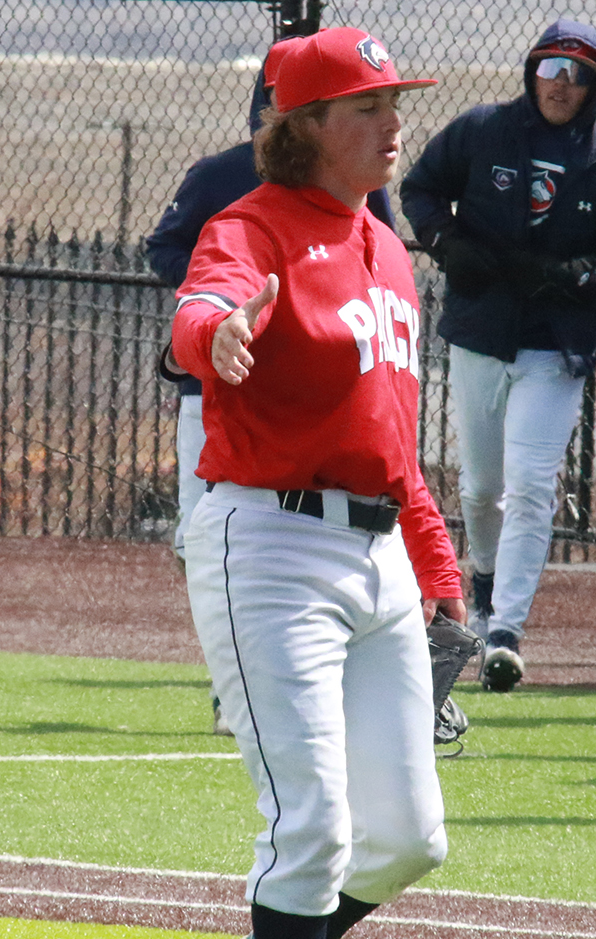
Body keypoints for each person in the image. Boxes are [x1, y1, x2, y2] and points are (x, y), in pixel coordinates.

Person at [169, 27, 458, 939]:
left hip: (379, 555)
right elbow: (201, 306)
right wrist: (215, 335)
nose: (394, 122)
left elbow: (395, 441)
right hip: (272, 542)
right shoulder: (252, 227)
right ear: (306, 128)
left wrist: (439, 572)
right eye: (368, 106)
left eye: (395, 102)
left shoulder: (387, 249)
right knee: (315, 821)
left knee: (412, 835)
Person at [144, 37, 396, 736]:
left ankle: (311, 673)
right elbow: (172, 254)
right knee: (199, 535)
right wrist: (219, 310)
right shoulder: (223, 177)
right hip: (215, 387)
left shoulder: (363, 194)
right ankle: (235, 684)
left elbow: (379, 262)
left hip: (320, 399)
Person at [401, 19, 596, 692]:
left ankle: (505, 632)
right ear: (531, 72)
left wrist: (582, 275)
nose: (560, 84)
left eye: (577, 73)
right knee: (481, 487)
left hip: (556, 345)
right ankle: (483, 583)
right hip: (481, 330)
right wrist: (446, 243)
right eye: (550, 69)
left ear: (595, 84)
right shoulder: (482, 131)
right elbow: (419, 188)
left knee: (532, 483)